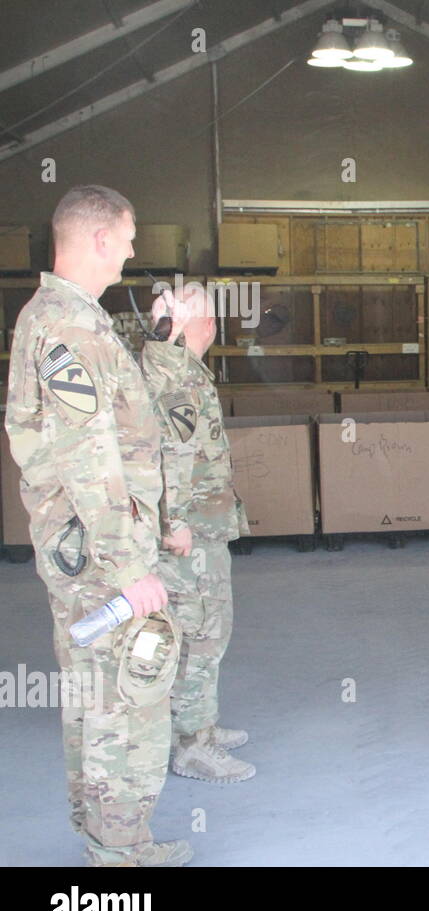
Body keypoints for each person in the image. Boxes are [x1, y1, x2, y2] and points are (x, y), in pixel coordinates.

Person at [4, 185, 191, 866]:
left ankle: (105, 838)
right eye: (129, 238)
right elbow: (89, 456)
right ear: (101, 238)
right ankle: (121, 853)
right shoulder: (70, 327)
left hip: (81, 548)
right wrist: (129, 567)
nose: (132, 252)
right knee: (125, 700)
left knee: (92, 693)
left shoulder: (65, 317)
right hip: (101, 555)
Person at [139, 285, 254, 784]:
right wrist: (176, 522)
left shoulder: (179, 371)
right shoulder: (178, 377)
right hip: (192, 536)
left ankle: (196, 725)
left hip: (201, 527)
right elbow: (169, 453)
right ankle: (192, 745)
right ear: (204, 326)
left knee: (200, 630)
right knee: (200, 636)